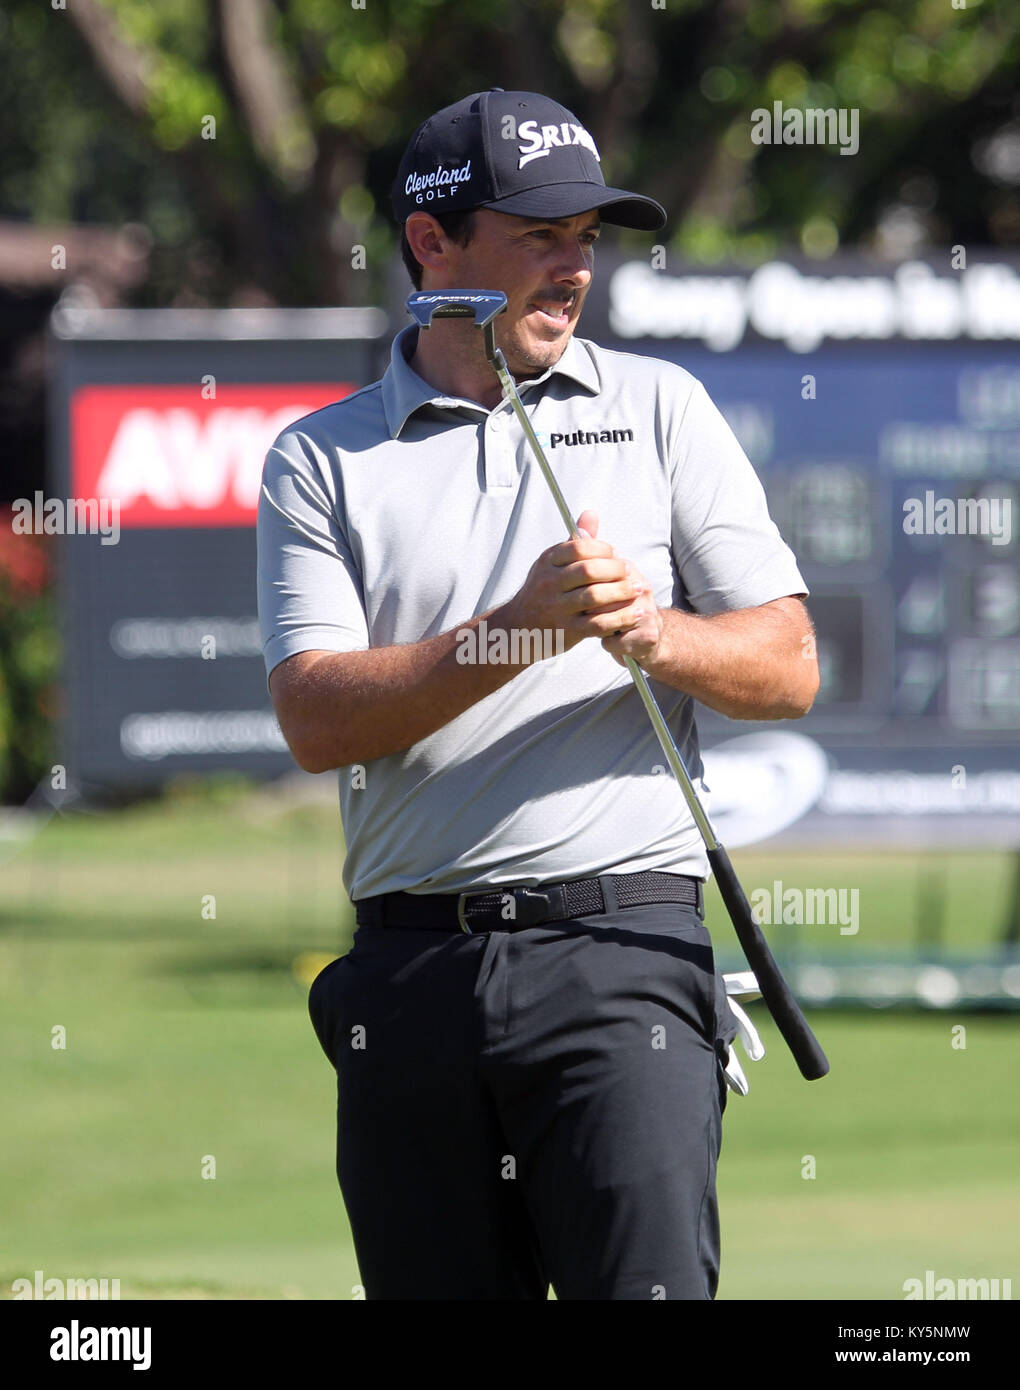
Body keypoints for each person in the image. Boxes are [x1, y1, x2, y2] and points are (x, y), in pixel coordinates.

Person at [257, 89, 818, 1301]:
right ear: (432, 245)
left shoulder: (661, 406)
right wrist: (511, 636)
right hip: (409, 973)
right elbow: (315, 718)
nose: (574, 269)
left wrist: (654, 635)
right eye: (540, 236)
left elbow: (788, 666)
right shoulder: (318, 456)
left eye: (588, 241)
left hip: (621, 952)